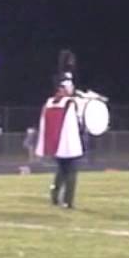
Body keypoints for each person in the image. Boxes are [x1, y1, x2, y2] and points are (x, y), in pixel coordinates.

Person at [35, 50, 85, 208]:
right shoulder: (69, 102)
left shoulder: (50, 103)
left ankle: (55, 195)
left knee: (62, 171)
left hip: (58, 144)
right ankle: (67, 201)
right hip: (68, 144)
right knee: (71, 172)